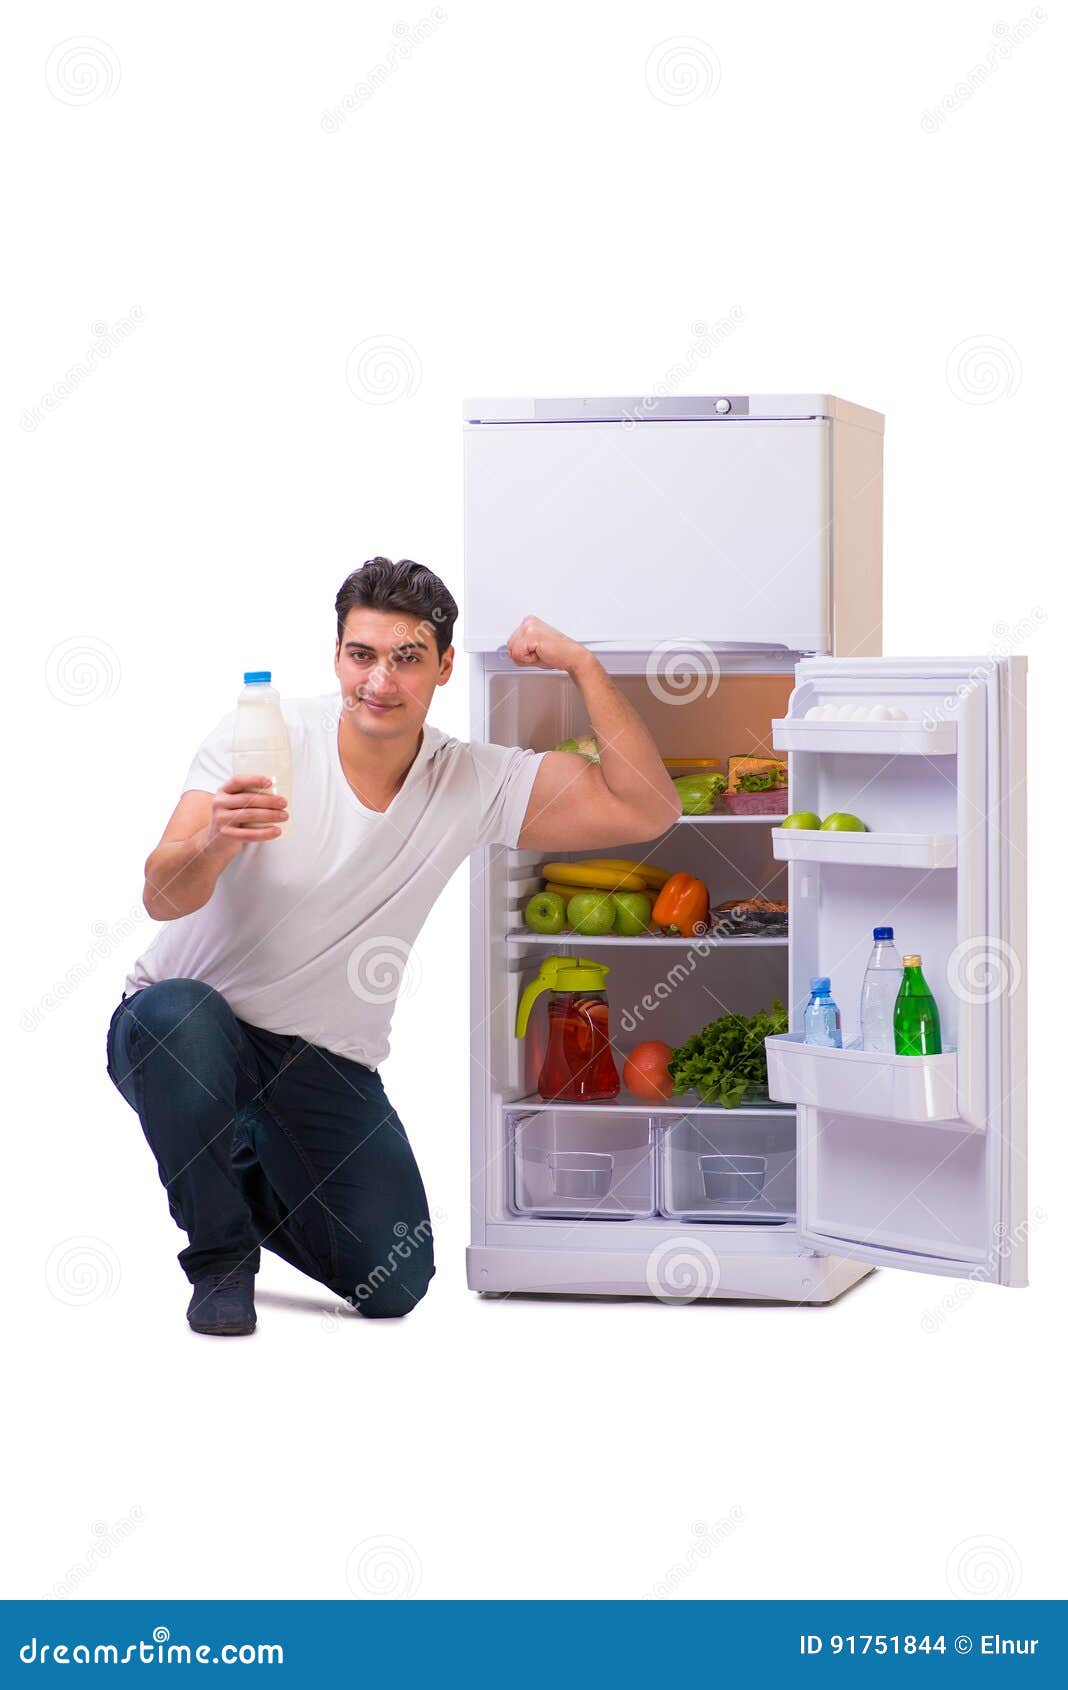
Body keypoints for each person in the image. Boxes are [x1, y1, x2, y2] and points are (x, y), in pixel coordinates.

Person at [105, 557, 681, 1336]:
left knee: (393, 1279)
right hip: (181, 1033)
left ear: (444, 666)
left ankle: (230, 1148)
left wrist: (580, 664)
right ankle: (219, 1259)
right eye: (361, 655)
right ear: (337, 656)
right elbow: (159, 896)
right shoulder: (266, 737)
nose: (380, 680)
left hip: (319, 1059)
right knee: (178, 1018)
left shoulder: (470, 781)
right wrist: (211, 840)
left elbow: (647, 810)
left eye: (407, 658)